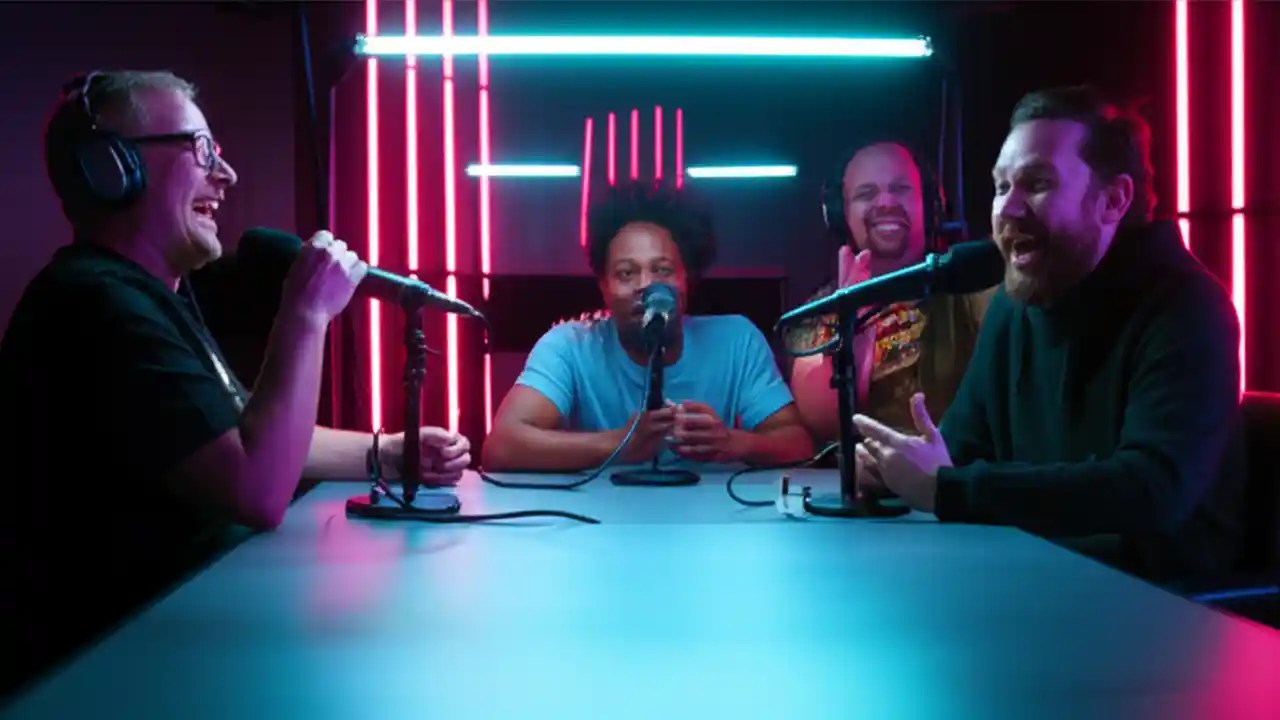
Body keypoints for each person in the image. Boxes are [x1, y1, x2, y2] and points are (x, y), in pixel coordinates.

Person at [0, 70, 471, 694]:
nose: (225, 176)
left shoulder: (152, 296)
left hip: (168, 640)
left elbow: (238, 432)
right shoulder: (94, 302)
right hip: (107, 673)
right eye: (201, 151)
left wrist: (385, 453)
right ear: (113, 169)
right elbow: (256, 487)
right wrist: (306, 314)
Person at [851, 86, 1245, 585]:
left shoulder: (1188, 308)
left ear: (1113, 200)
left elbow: (1151, 490)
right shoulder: (1015, 306)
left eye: (1036, 183)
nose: (1008, 210)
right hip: (1041, 576)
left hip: (1164, 609)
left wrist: (948, 488)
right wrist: (895, 469)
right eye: (1000, 187)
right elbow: (959, 452)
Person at [482, 181, 813, 472]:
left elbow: (798, 444)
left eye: (663, 270)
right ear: (604, 287)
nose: (646, 285)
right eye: (627, 273)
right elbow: (501, 447)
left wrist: (733, 443)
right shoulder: (569, 346)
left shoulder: (736, 341)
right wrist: (621, 445)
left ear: (687, 280)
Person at [786, 142, 990, 443]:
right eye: (866, 193)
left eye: (900, 188)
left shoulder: (972, 289)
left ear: (930, 204)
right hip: (862, 482)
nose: (885, 203)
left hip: (952, 477)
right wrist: (851, 324)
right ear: (841, 214)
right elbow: (825, 425)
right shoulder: (821, 311)